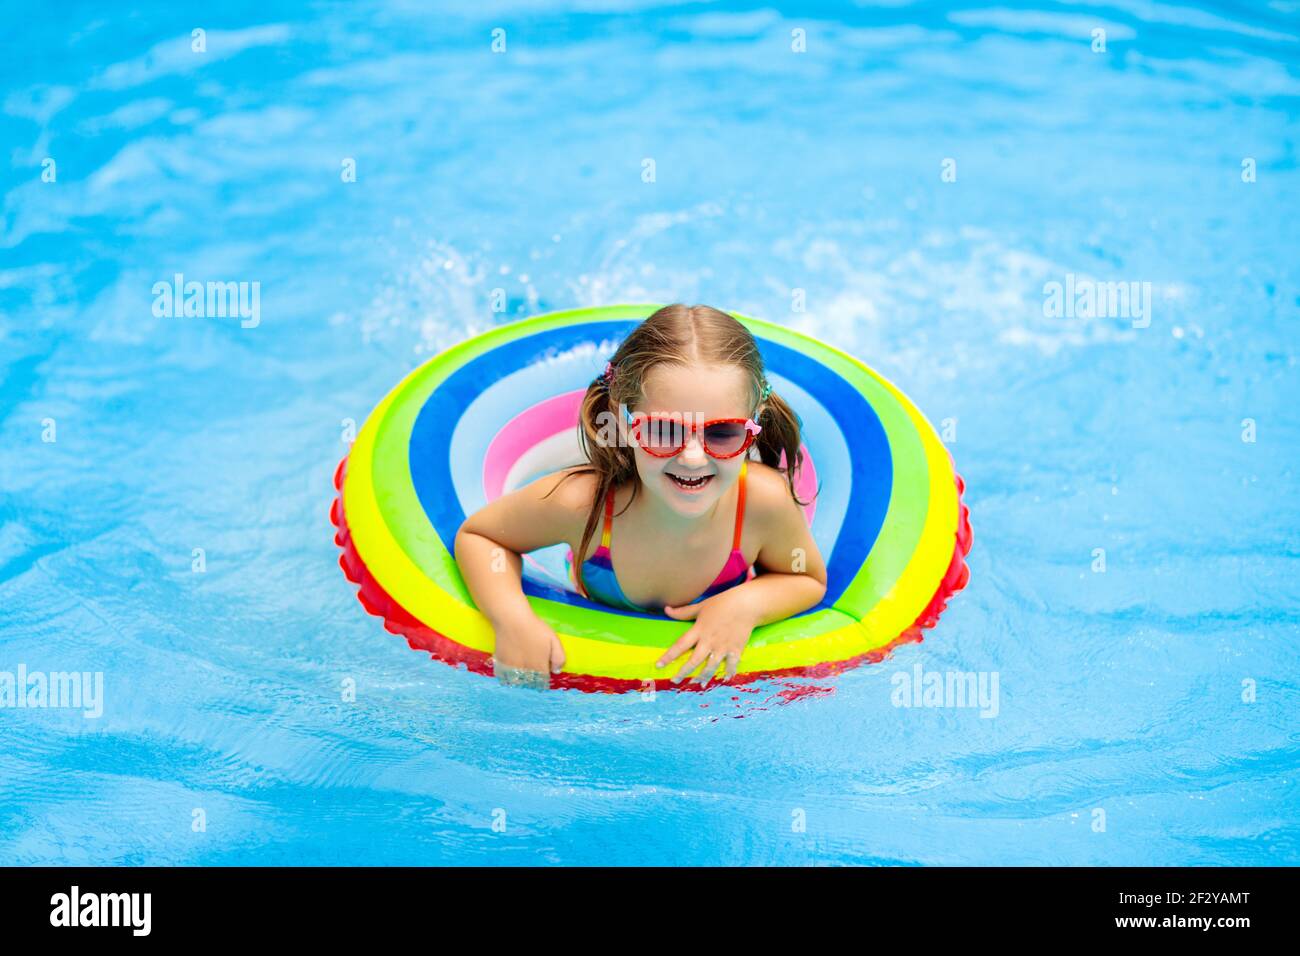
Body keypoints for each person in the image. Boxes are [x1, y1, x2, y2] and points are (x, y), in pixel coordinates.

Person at [454, 303, 826, 688]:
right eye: (664, 431)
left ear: (754, 425)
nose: (693, 457)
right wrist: (512, 619)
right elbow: (482, 537)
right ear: (623, 420)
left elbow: (805, 579)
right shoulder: (581, 505)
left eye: (722, 433)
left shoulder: (762, 504)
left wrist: (745, 604)